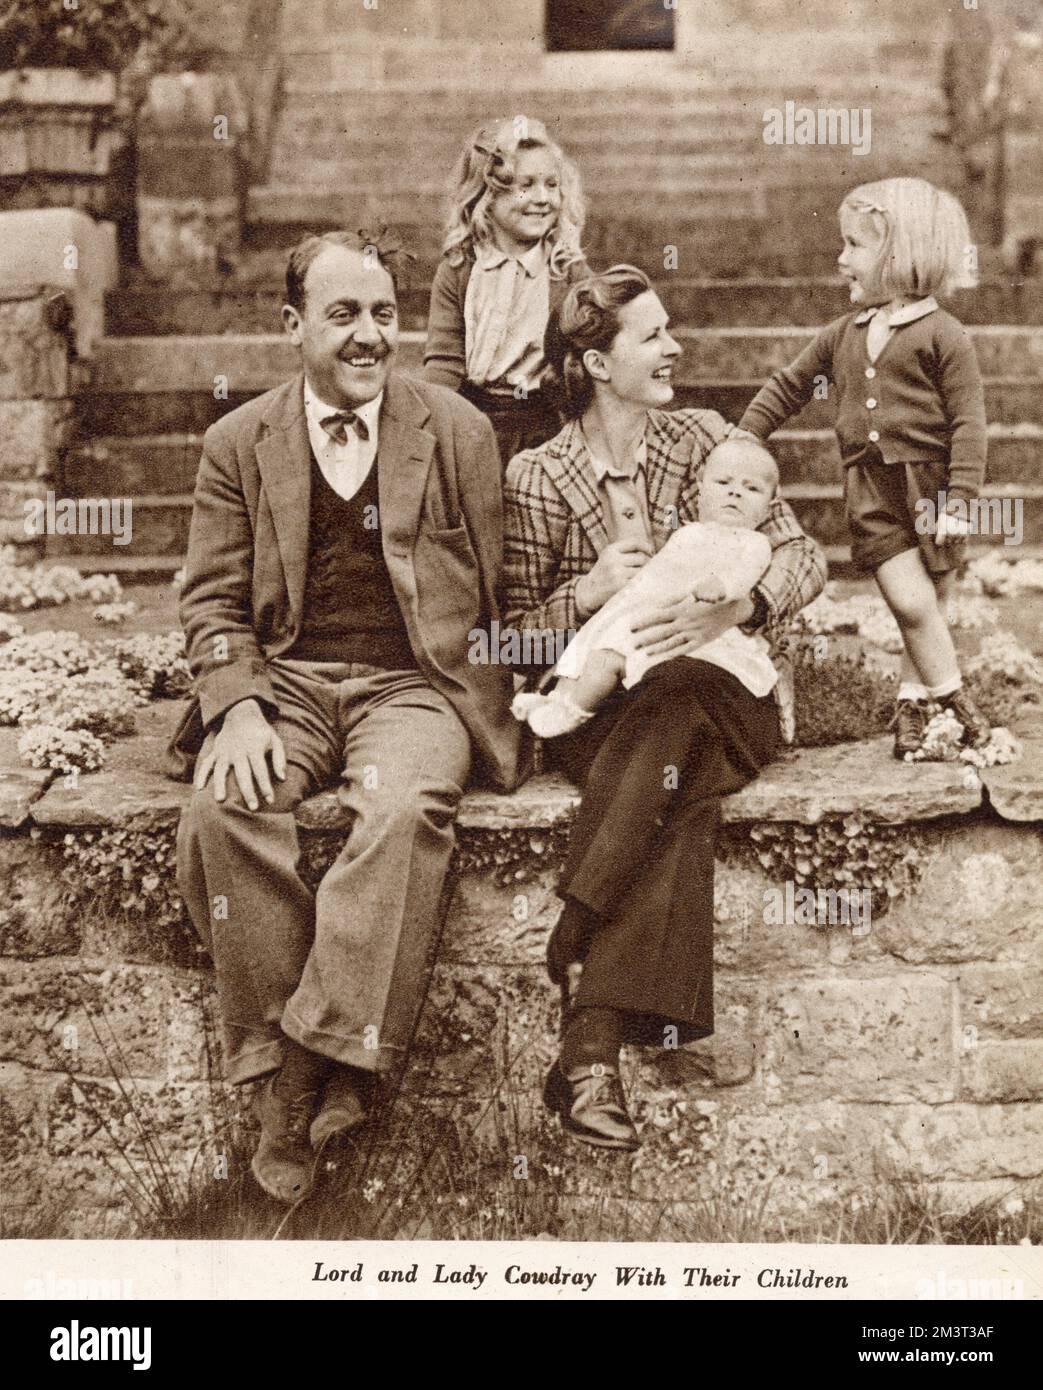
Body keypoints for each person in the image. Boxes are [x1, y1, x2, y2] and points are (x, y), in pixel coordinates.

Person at [171, 228, 520, 1205]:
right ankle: (313, 1053)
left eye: (382, 314)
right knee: (222, 808)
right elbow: (208, 602)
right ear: (291, 327)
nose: (368, 336)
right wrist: (236, 706)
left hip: (413, 686)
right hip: (284, 679)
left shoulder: (454, 431)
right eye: (342, 314)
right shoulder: (235, 443)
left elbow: (501, 590)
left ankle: (299, 1075)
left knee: (404, 808)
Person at [502, 265, 827, 1151]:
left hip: (727, 689)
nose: (673, 346)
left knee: (680, 696)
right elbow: (511, 638)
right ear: (597, 364)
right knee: (677, 795)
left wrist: (739, 606)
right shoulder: (536, 475)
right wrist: (584, 594)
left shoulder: (706, 441)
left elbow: (804, 558)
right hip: (605, 707)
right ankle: (590, 1051)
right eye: (651, 336)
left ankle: (579, 921)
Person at [740, 178, 991, 759]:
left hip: (933, 491)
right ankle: (956, 701)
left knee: (926, 608)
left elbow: (969, 426)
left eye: (854, 246)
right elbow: (789, 386)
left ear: (900, 255)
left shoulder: (944, 335)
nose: (841, 259)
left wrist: (960, 500)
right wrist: (745, 436)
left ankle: (912, 712)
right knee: (910, 603)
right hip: (872, 492)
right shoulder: (844, 334)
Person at [512, 438, 778, 737]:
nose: (735, 492)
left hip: (700, 626)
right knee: (591, 651)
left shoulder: (753, 543)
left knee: (611, 662)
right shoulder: (688, 532)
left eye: (751, 488)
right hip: (644, 611)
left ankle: (573, 712)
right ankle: (555, 699)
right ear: (701, 491)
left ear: (768, 508)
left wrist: (721, 587)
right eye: (723, 482)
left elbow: (745, 572)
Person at [422, 115, 589, 468]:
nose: (543, 199)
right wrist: (435, 432)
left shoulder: (566, 269)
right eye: (526, 186)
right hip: (473, 424)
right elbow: (444, 361)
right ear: (487, 196)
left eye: (552, 184)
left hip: (546, 427)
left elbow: (597, 346)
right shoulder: (460, 269)